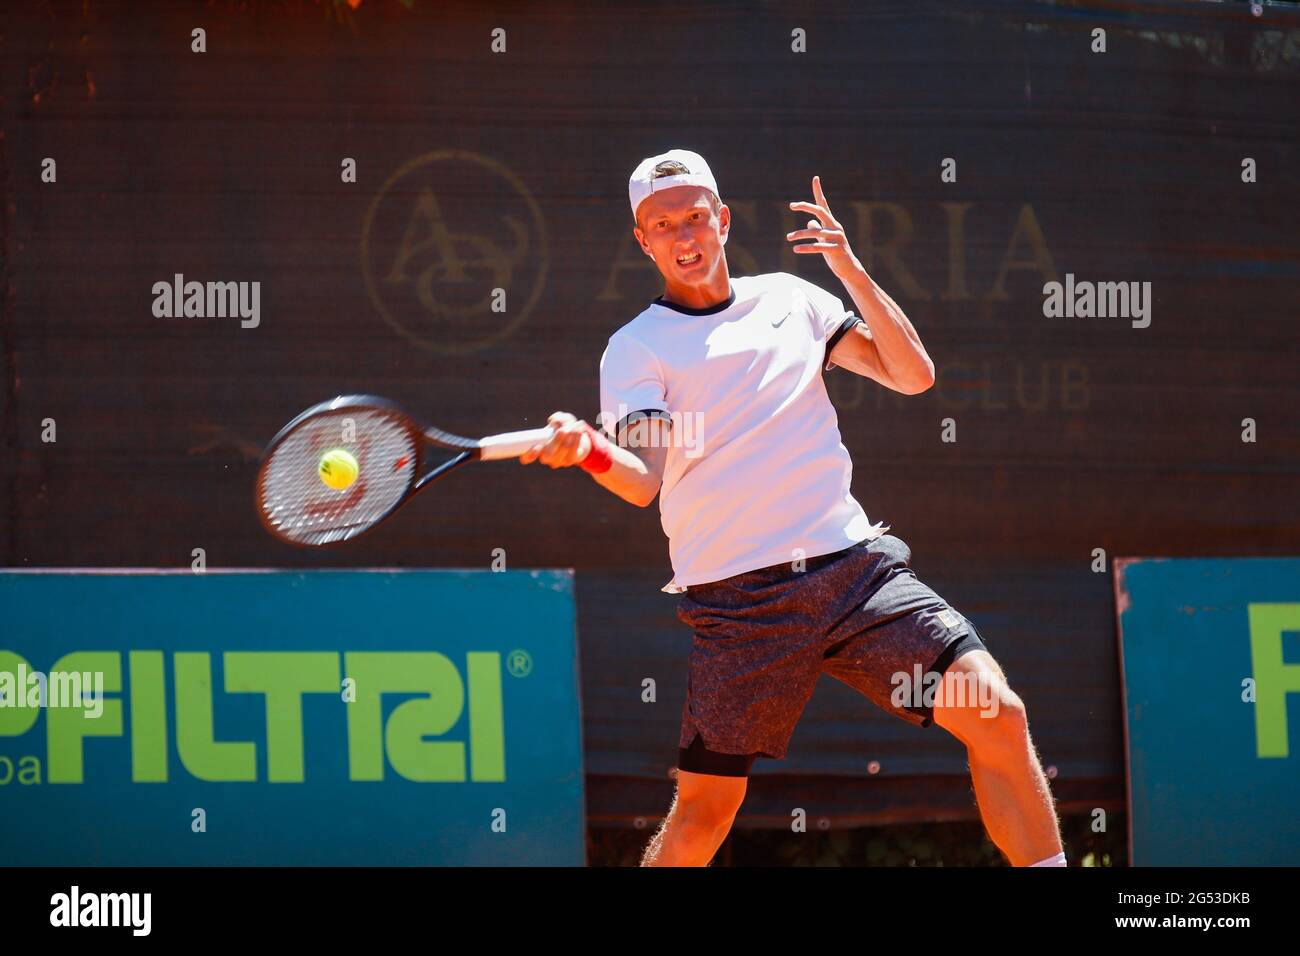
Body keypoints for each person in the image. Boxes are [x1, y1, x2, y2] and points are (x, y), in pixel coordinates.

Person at [520, 148, 1065, 868]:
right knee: (705, 814)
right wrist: (588, 450)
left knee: (997, 713)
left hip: (853, 575)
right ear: (642, 241)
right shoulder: (636, 350)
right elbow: (641, 479)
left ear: (722, 219)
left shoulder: (792, 299)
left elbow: (913, 375)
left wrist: (849, 269)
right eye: (663, 225)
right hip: (741, 606)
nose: (684, 237)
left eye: (694, 217)